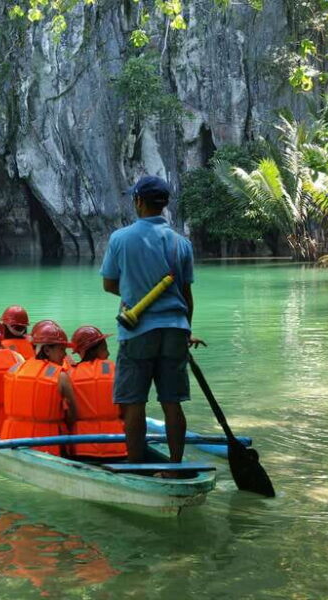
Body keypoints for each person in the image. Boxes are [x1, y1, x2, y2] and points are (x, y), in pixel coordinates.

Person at [100, 175, 206, 466]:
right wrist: (187, 331)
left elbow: (109, 284)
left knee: (134, 403)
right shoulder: (181, 244)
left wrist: (133, 292)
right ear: (164, 204)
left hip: (137, 331)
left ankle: (136, 467)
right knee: (172, 402)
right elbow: (186, 295)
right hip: (175, 330)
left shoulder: (120, 238)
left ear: (138, 201)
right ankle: (174, 466)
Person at [0, 320, 76, 456]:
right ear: (47, 350)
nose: (64, 355)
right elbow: (73, 414)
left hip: (11, 442)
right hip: (47, 445)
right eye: (61, 350)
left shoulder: (14, 369)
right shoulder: (61, 376)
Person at [67, 326, 126, 460]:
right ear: (94, 349)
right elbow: (127, 409)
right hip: (117, 447)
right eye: (105, 349)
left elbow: (68, 415)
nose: (108, 354)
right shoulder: (115, 370)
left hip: (81, 449)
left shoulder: (69, 375)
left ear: (81, 352)